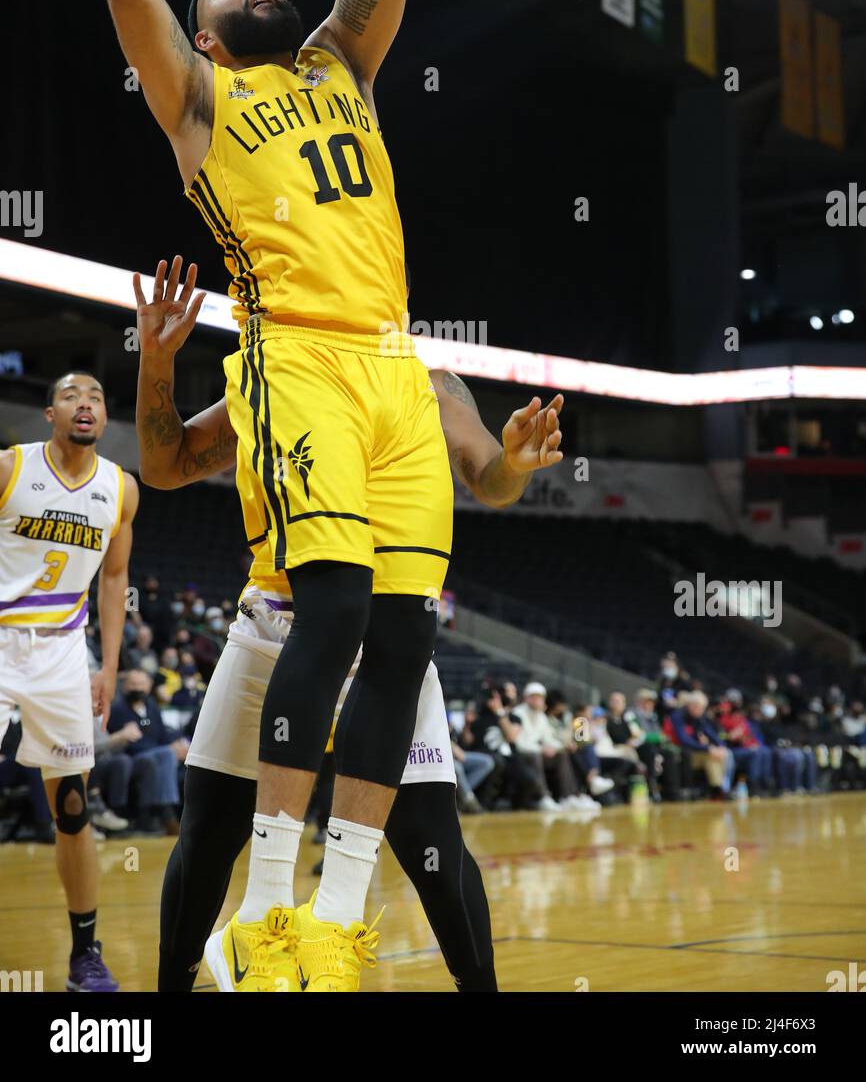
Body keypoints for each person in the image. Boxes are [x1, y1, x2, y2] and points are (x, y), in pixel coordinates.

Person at [101, 0, 468, 990]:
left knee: (405, 632)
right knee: (332, 609)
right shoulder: (201, 106)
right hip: (295, 356)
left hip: (393, 367)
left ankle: (331, 914)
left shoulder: (340, 63)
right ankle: (263, 909)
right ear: (204, 41)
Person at [133, 258, 564, 992]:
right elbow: (166, 464)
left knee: (431, 839)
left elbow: (487, 475)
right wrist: (157, 362)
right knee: (209, 832)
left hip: (386, 639)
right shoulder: (282, 374)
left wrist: (516, 465)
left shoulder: (430, 384)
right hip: (277, 624)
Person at [0, 372, 138, 990]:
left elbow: (113, 580)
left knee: (75, 810)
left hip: (63, 654)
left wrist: (107, 666)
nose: (85, 404)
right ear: (49, 415)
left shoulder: (121, 488)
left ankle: (85, 955)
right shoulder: (8, 468)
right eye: (69, 396)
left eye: (97, 398)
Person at [107, 671, 188, 834]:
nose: (137, 688)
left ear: (149, 686)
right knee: (166, 754)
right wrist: (167, 749)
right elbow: (129, 744)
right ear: (124, 686)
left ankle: (163, 814)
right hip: (131, 757)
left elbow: (162, 734)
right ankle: (166, 813)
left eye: (141, 684)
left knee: (172, 755)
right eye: (133, 684)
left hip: (155, 755)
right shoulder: (117, 709)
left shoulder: (152, 706)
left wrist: (176, 743)